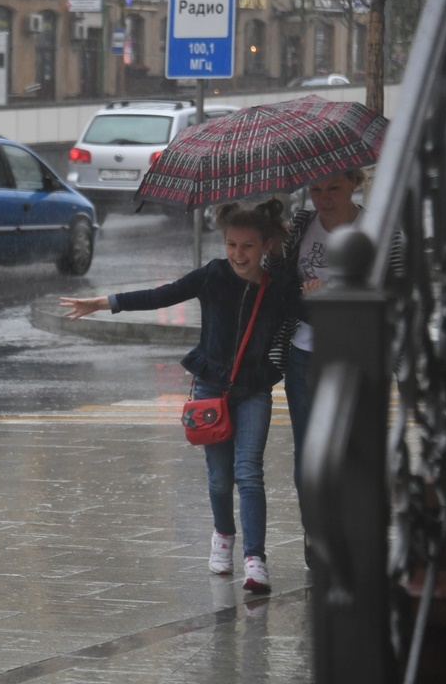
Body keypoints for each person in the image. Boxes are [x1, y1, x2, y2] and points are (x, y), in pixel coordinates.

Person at [60, 201, 301, 594]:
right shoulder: (214, 275)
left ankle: (255, 559)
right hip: (211, 388)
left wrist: (314, 285)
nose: (238, 255)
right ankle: (223, 535)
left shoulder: (279, 288)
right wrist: (104, 303)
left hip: (255, 388)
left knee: (248, 473)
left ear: (266, 246)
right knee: (221, 479)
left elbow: (308, 311)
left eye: (248, 247)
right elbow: (163, 295)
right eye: (231, 244)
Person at [266, 169, 364, 568]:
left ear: (354, 184)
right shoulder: (302, 225)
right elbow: (280, 284)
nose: (324, 198)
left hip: (355, 355)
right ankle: (316, 533)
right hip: (304, 352)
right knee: (308, 450)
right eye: (316, 189)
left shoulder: (376, 229)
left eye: (334, 189)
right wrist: (274, 258)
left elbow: (395, 287)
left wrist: (336, 293)